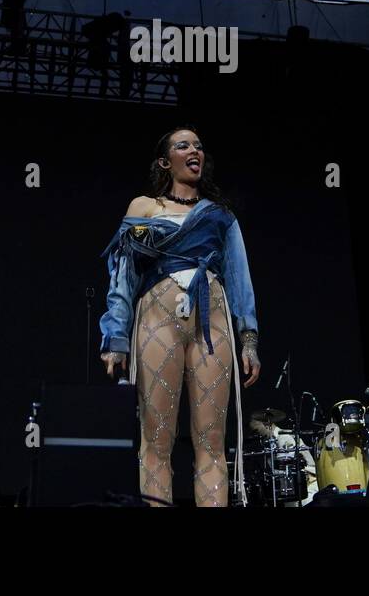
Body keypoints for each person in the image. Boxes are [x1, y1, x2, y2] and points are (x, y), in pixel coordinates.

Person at [98, 126, 260, 507]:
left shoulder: (221, 216)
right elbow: (122, 275)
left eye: (200, 146)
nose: (195, 151)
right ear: (164, 161)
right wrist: (116, 339)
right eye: (183, 145)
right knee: (156, 442)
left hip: (213, 320)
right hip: (157, 317)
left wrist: (248, 337)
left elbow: (240, 277)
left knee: (211, 444)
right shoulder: (144, 207)